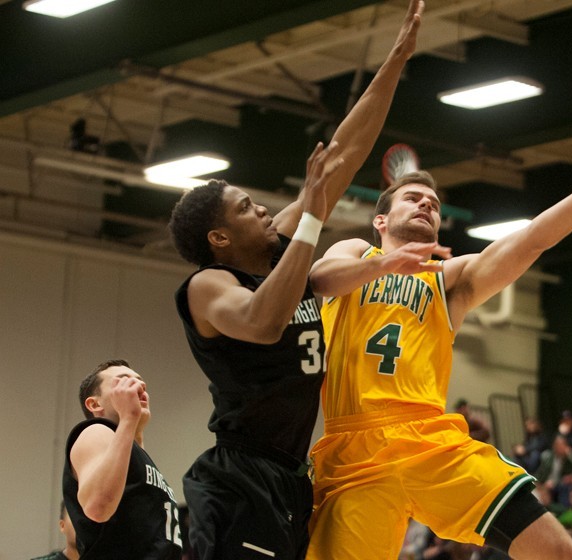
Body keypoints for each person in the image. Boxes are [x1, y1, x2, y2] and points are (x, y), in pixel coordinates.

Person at [305, 119, 572, 560]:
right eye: (413, 198)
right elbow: (319, 279)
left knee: (559, 552)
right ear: (380, 219)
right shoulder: (355, 253)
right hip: (353, 452)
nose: (426, 206)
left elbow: (533, 239)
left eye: (433, 204)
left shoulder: (449, 279)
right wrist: (386, 264)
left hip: (430, 442)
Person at [166, 2, 426, 558]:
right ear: (219, 239)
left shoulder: (283, 247)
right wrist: (309, 219)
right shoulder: (207, 287)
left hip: (290, 473)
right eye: (244, 207)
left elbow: (345, 154)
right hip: (238, 477)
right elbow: (264, 322)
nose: (262, 209)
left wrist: (397, 59)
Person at [62, 360, 181, 559]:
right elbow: (97, 507)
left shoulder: (138, 456)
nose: (139, 386)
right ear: (94, 403)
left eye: (141, 382)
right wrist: (128, 418)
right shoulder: (96, 431)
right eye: (124, 381)